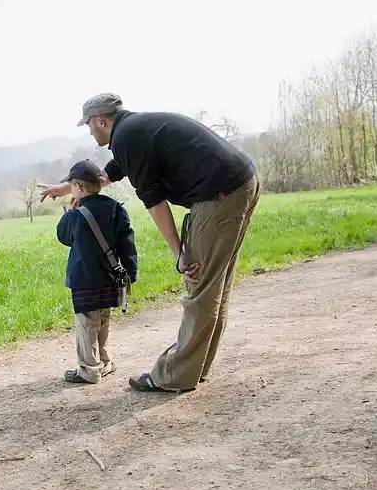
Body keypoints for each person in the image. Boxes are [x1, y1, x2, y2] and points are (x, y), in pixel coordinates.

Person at [40, 93, 260, 393]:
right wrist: (68, 188)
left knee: (199, 284)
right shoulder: (136, 129)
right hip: (241, 183)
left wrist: (178, 252)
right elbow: (110, 173)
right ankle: (194, 367)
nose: (90, 132)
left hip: (217, 196)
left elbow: (155, 201)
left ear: (101, 121)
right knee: (214, 286)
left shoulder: (128, 137)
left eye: (90, 125)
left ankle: (174, 375)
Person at [55, 159, 138, 385]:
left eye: (71, 185)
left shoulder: (76, 215)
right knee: (103, 320)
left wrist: (70, 212)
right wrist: (131, 271)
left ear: (79, 186)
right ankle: (104, 361)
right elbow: (127, 243)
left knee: (86, 324)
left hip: (84, 280)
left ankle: (89, 369)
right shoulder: (116, 208)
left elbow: (63, 236)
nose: (70, 189)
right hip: (110, 278)